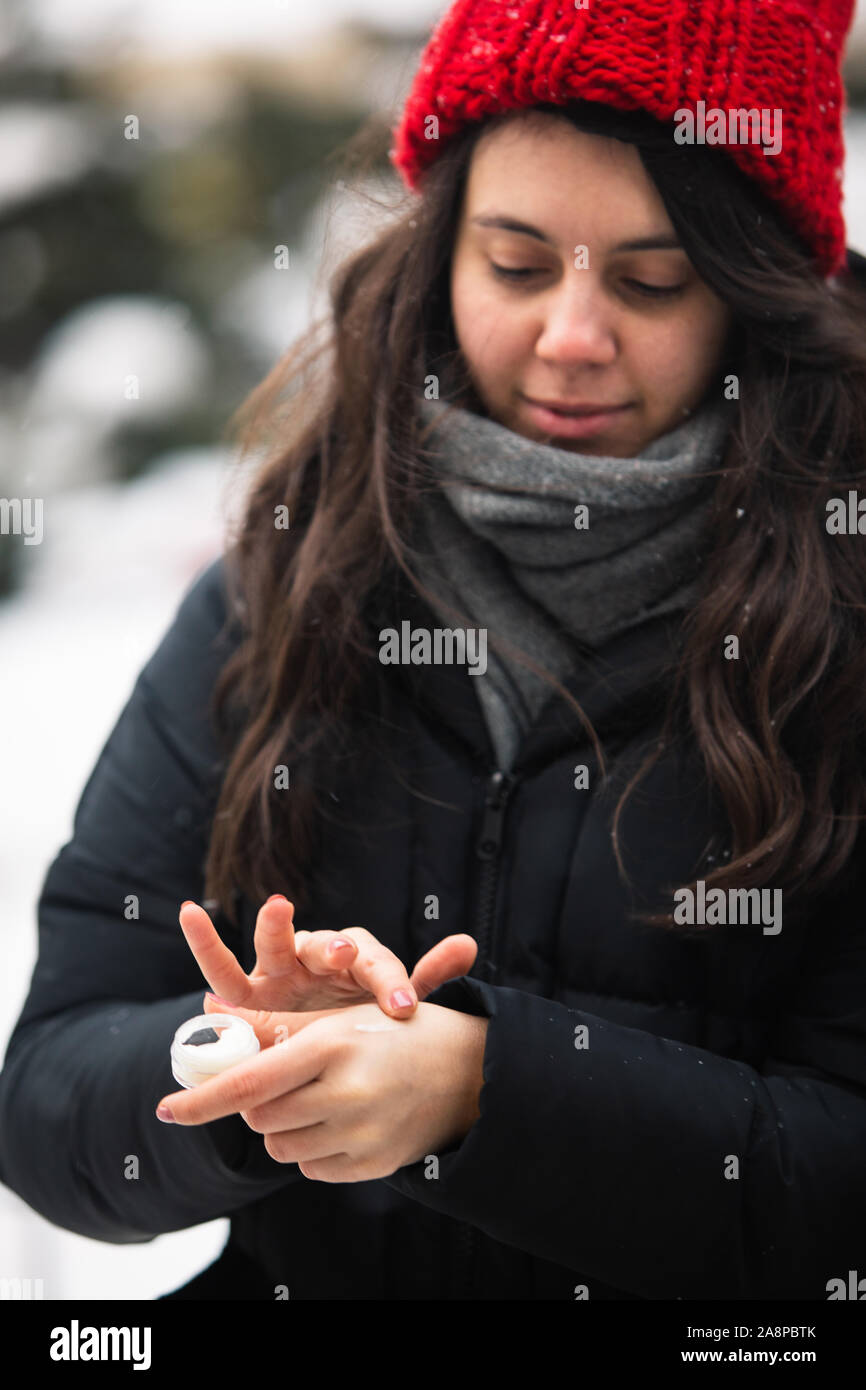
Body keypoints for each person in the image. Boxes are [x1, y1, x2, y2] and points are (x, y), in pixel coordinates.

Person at [1, 0, 865, 1302]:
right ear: (436, 257)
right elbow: (51, 1094)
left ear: (758, 291)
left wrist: (481, 1084)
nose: (570, 337)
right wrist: (250, 1073)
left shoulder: (839, 634)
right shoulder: (278, 591)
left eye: (649, 279)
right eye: (516, 265)